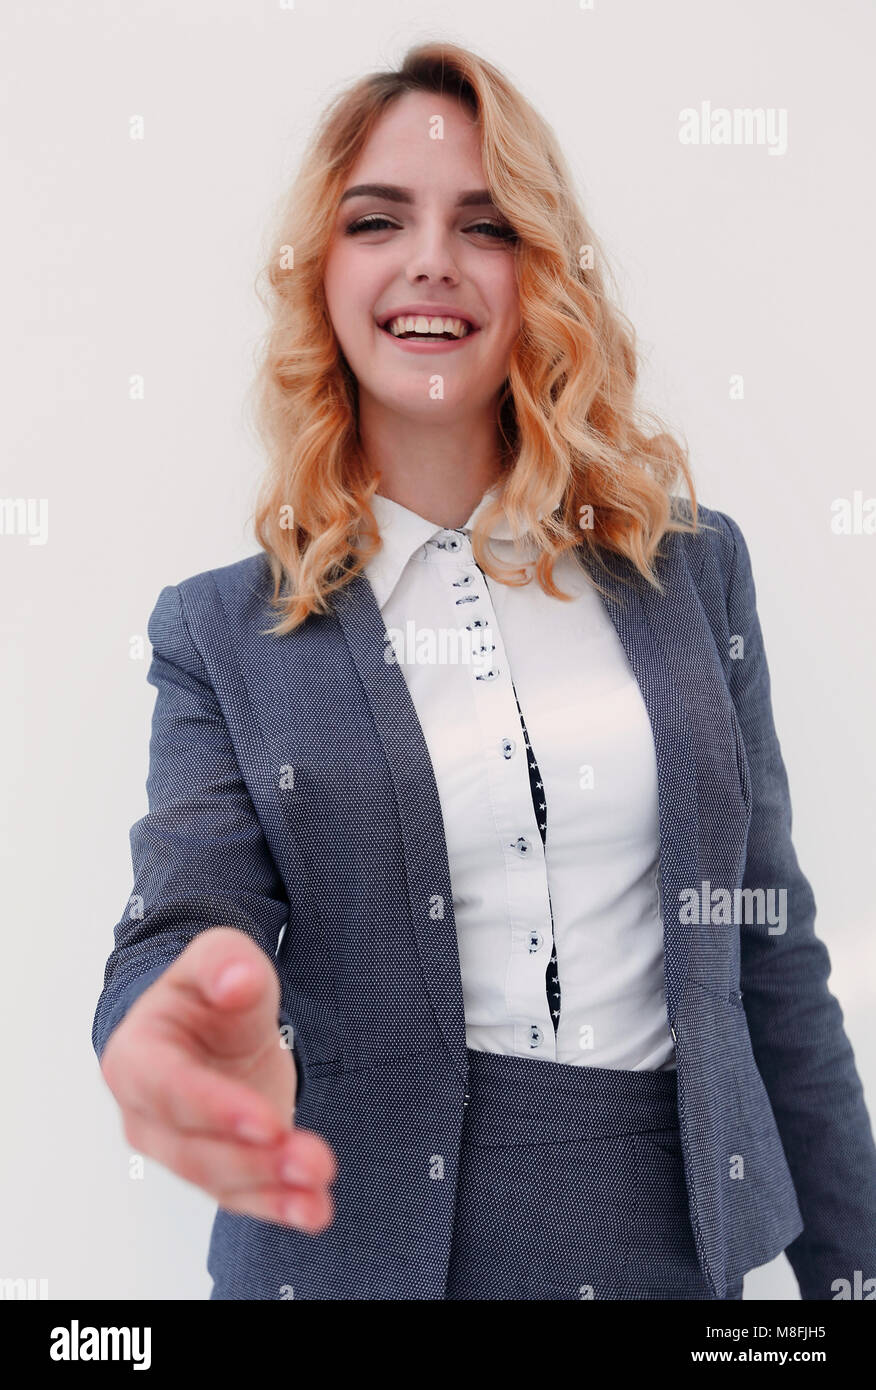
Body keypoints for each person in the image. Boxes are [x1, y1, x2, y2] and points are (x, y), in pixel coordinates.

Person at [92, 41, 876, 1301]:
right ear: (321, 274)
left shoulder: (693, 575)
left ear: (538, 273)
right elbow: (186, 919)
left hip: (665, 1258)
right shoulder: (222, 632)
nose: (430, 261)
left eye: (486, 223)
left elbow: (769, 952)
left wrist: (856, 1275)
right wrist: (182, 1019)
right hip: (355, 1258)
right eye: (376, 220)